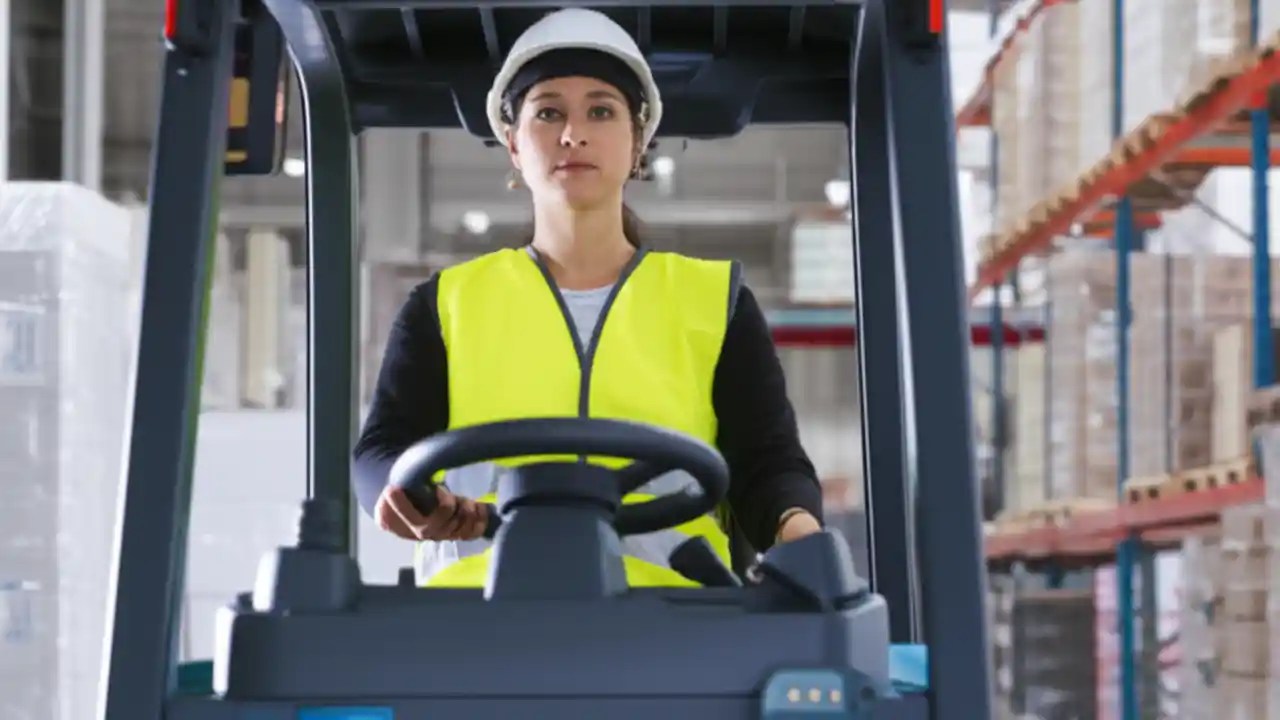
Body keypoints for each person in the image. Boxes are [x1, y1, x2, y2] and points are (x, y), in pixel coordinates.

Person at [351, 7, 824, 588]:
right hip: (476, 621)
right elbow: (381, 451)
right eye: (548, 112)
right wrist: (401, 497)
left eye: (601, 111)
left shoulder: (714, 301)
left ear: (636, 142)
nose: (573, 133)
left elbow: (766, 461)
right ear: (514, 147)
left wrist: (803, 537)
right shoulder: (446, 304)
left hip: (676, 627)